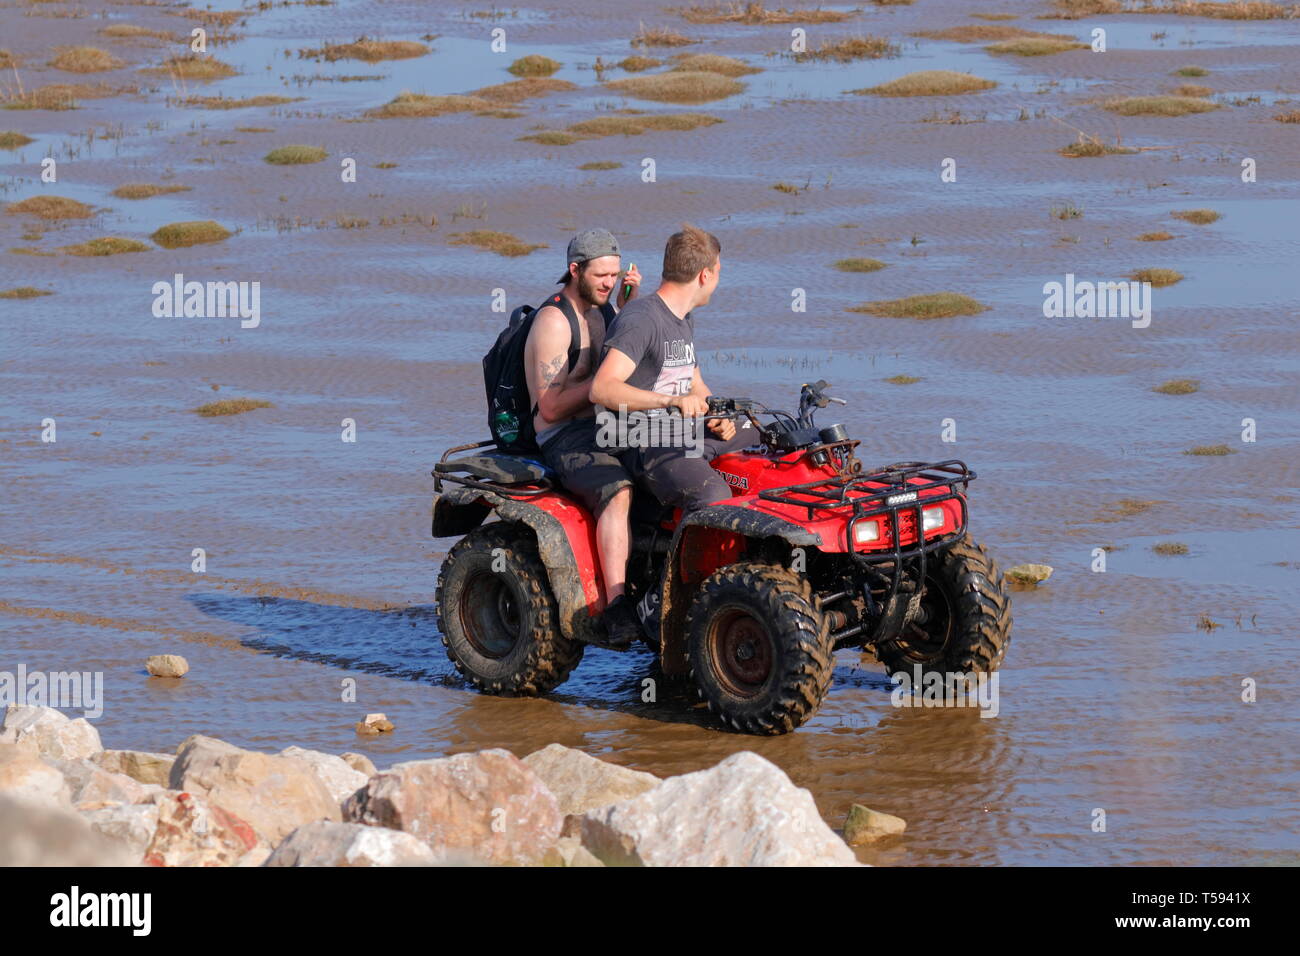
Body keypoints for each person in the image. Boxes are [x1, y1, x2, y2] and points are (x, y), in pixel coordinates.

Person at [523, 228, 643, 647]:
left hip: (604, 426)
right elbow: (551, 407)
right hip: (563, 437)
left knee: (672, 454)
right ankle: (616, 605)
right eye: (601, 276)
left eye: (615, 274)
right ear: (575, 270)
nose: (609, 283)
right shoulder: (554, 321)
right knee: (618, 488)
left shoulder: (606, 311)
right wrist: (598, 385)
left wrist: (627, 311)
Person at [590, 224, 754, 516]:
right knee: (714, 495)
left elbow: (696, 385)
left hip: (681, 430)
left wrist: (718, 417)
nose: (717, 280)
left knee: (776, 437)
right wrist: (671, 401)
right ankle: (687, 561)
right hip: (642, 441)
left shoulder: (683, 318)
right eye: (719, 272)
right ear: (706, 275)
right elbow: (602, 388)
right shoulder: (642, 319)